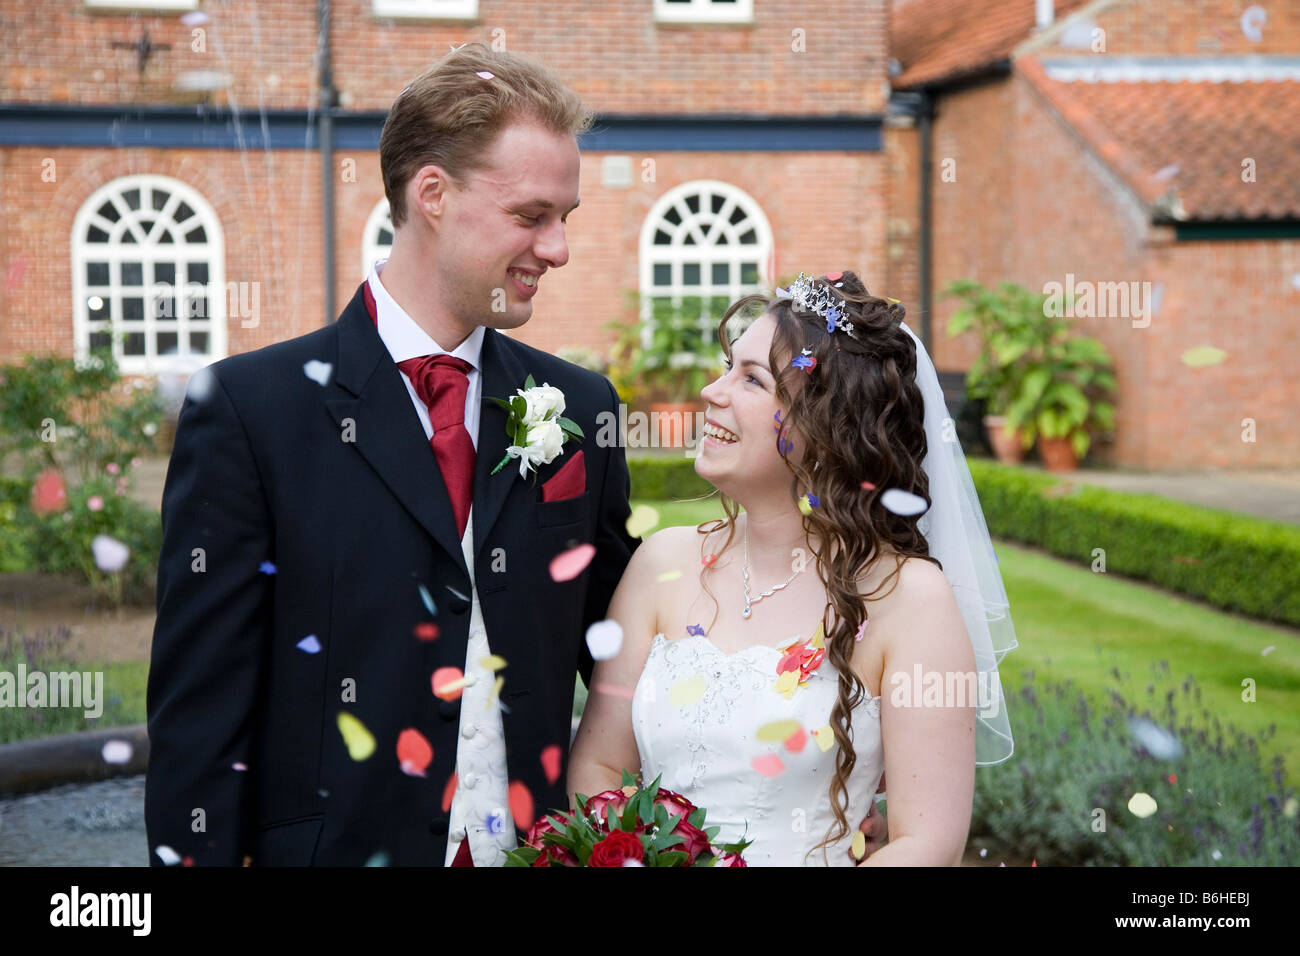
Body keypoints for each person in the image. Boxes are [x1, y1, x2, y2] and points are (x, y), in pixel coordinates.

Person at [144, 43, 640, 866]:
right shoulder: (248, 412)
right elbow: (202, 722)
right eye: (531, 215)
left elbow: (628, 656)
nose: (557, 250)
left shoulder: (582, 410)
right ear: (432, 194)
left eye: (567, 219)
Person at [568, 271, 1017, 865]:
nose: (711, 391)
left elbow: (925, 843)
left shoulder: (908, 599)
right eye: (728, 366)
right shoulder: (662, 564)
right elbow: (599, 765)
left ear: (828, 425)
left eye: (751, 379)